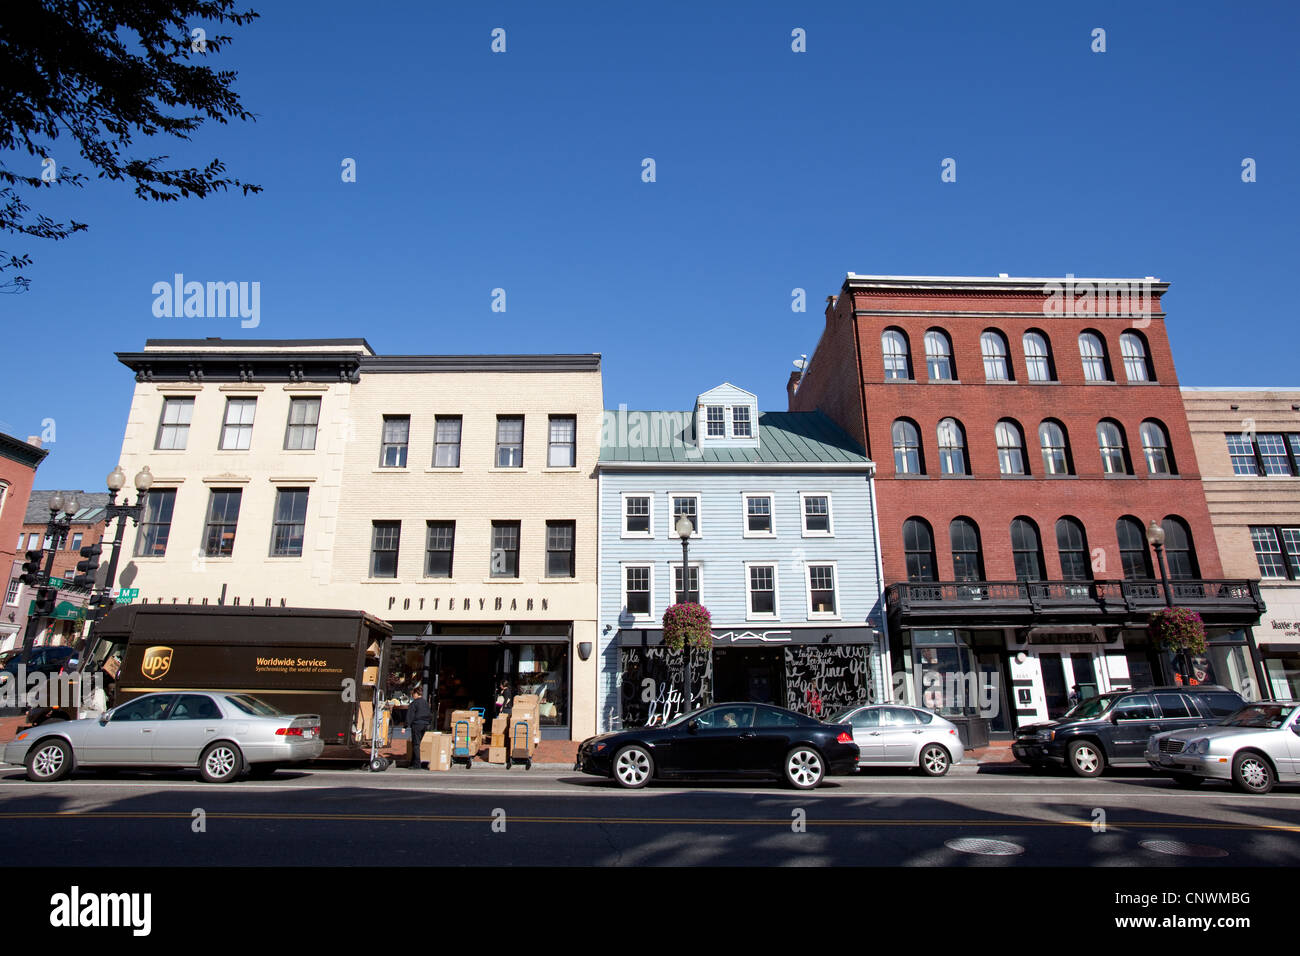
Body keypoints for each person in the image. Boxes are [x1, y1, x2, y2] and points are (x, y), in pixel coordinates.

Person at [406, 686, 432, 769]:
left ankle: (417, 764)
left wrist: (405, 725)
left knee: (416, 744)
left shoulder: (414, 703)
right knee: (417, 743)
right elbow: (429, 714)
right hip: (425, 725)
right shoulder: (425, 703)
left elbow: (410, 715)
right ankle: (413, 762)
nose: (413, 696)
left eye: (413, 694)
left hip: (417, 724)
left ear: (416, 694)